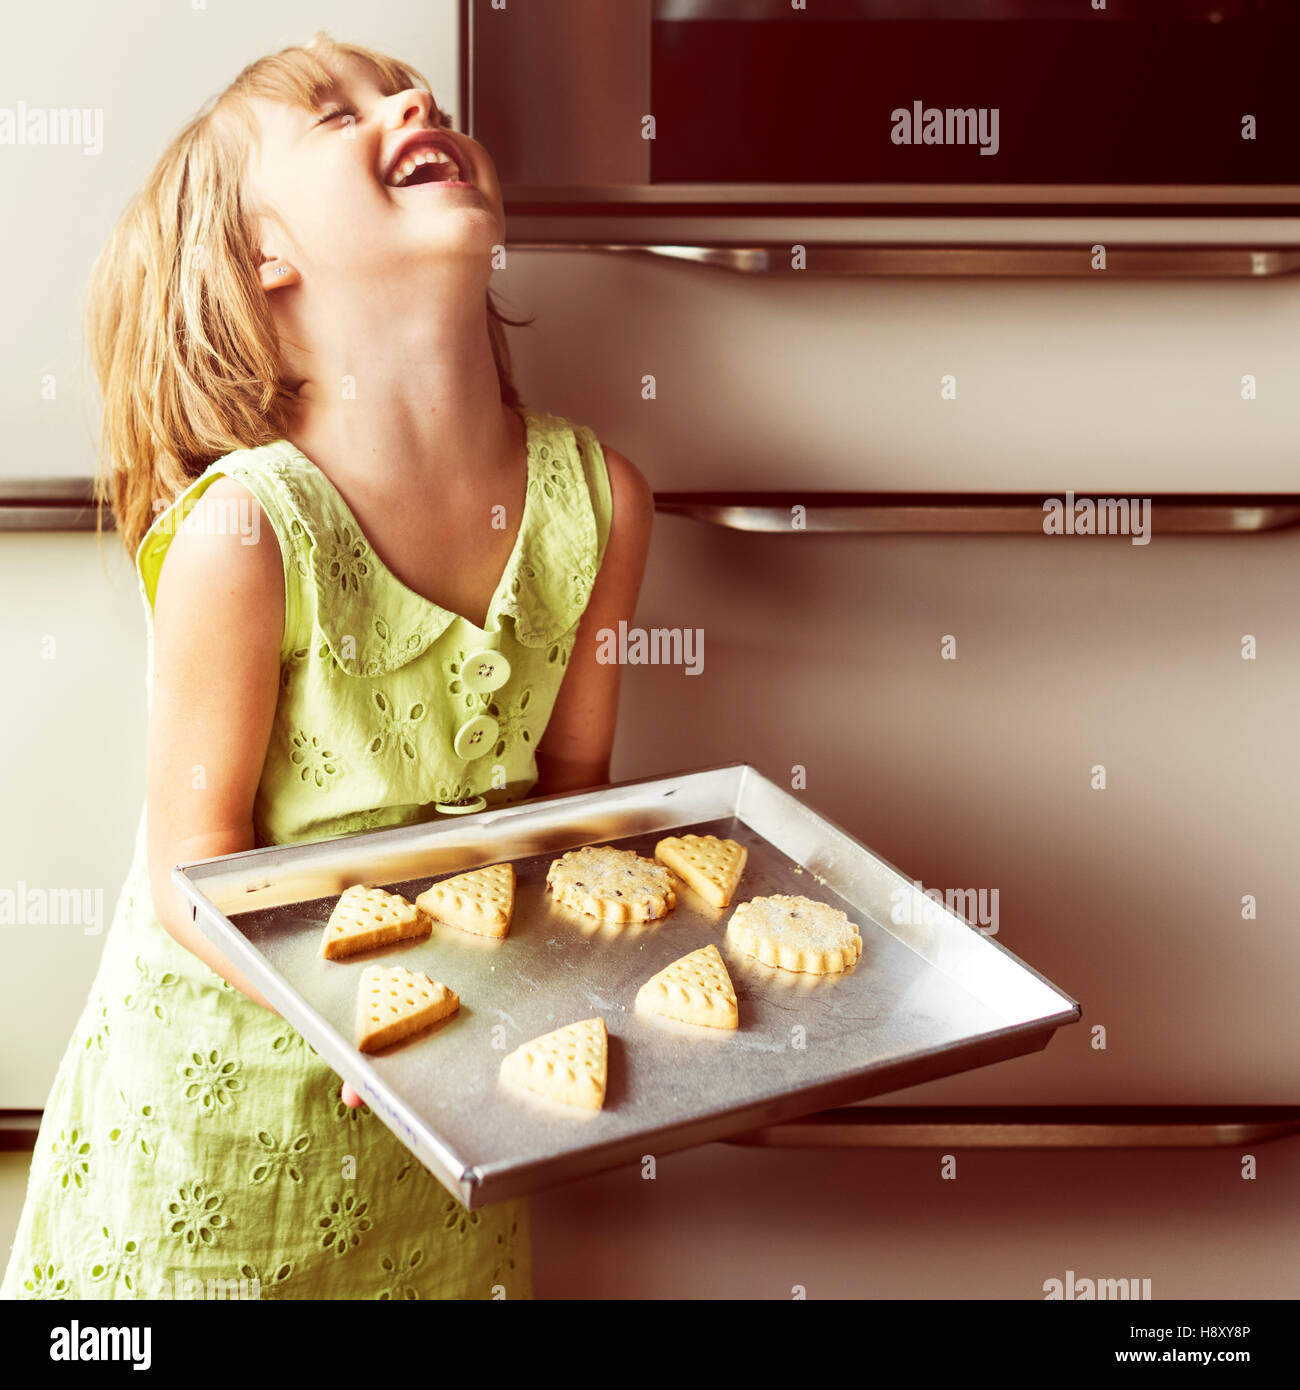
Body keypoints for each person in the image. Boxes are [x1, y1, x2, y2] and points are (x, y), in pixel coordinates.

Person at [1, 32, 653, 1301]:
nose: (412, 101)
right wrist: (359, 1014)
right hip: (221, 1147)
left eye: (411, 92)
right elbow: (191, 871)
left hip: (444, 1127)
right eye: (333, 114)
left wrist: (567, 990)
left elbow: (567, 805)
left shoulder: (603, 504)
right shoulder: (248, 535)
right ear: (263, 258)